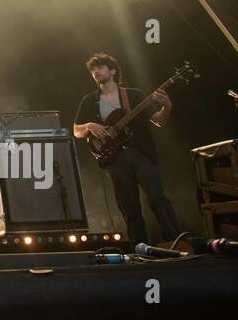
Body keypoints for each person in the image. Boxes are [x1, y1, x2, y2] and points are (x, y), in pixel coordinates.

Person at [72, 52, 179, 247]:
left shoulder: (134, 95)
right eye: (93, 70)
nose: (96, 72)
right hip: (114, 159)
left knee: (157, 198)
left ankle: (175, 241)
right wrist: (88, 126)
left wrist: (167, 108)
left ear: (112, 71)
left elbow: (159, 122)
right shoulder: (89, 101)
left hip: (140, 153)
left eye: (100, 67)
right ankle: (141, 248)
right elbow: (76, 131)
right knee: (128, 206)